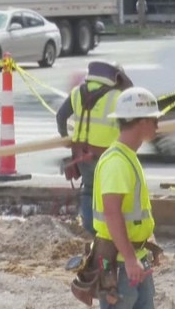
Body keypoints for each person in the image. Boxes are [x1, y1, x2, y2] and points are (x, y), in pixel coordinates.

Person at [74, 86, 164, 309]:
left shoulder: (126, 157)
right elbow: (112, 213)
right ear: (141, 121)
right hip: (121, 263)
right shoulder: (117, 162)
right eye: (154, 120)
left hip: (132, 257)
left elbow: (132, 212)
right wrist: (131, 259)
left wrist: (146, 241)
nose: (158, 125)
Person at [56, 60, 132, 233]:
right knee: (112, 193)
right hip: (108, 155)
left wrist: (66, 138)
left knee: (89, 190)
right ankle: (110, 232)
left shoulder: (77, 93)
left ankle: (92, 229)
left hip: (82, 154)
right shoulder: (117, 97)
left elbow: (61, 116)